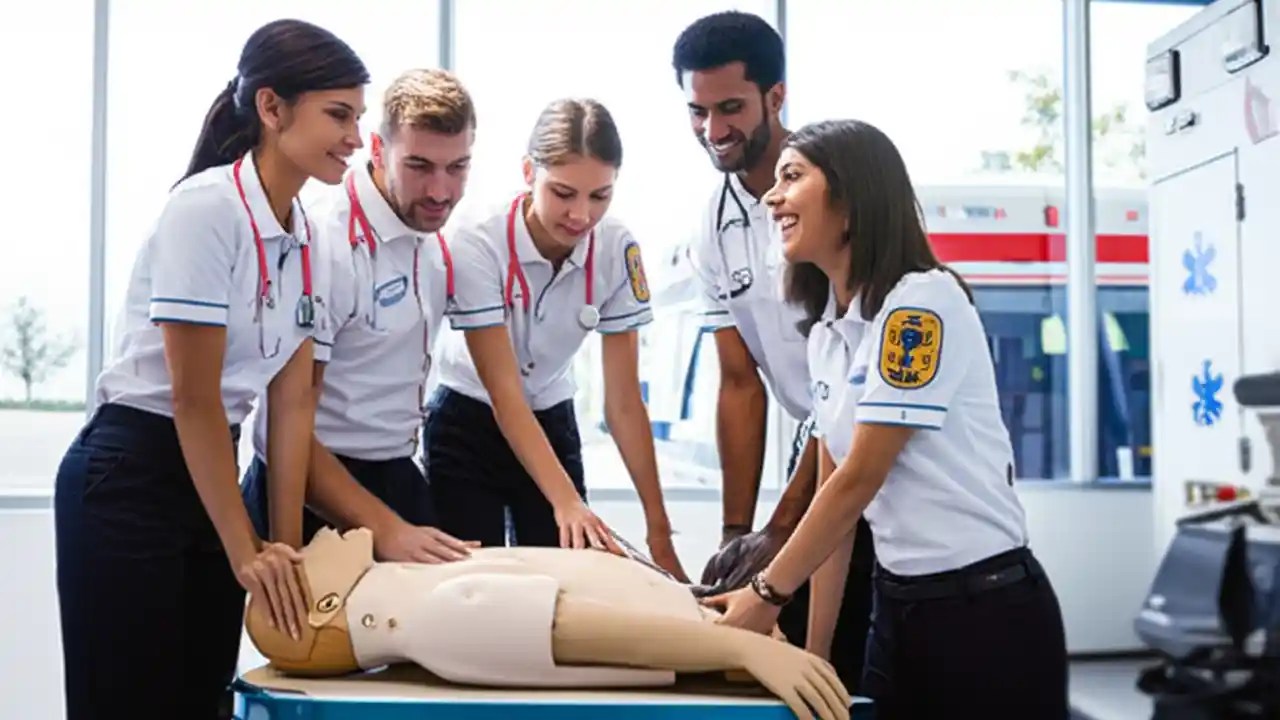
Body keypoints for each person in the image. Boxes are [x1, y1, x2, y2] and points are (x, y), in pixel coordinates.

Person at [51, 19, 370, 720]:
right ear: (271, 108)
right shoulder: (206, 208)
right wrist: (242, 549)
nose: (355, 137)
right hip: (129, 471)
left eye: (358, 117)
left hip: (209, 469)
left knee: (203, 703)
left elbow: (289, 409)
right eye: (339, 116)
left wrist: (280, 548)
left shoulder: (308, 235)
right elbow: (193, 398)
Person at [705, 119, 1069, 718]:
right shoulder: (827, 335)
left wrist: (766, 594)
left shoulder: (922, 305)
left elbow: (861, 477)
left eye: (791, 177)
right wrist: (815, 658)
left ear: (849, 199)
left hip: (985, 614)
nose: (771, 197)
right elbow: (833, 502)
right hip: (898, 611)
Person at [671, 10, 873, 688]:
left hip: (871, 440)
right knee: (804, 649)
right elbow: (738, 384)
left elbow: (848, 394)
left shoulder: (838, 199)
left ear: (776, 96)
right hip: (817, 439)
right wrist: (738, 534)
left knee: (856, 647)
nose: (713, 131)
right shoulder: (713, 223)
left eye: (730, 108)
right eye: (697, 111)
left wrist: (781, 529)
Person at [424, 98, 687, 580]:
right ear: (529, 171)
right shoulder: (477, 241)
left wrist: (659, 532)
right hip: (469, 421)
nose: (581, 216)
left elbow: (625, 403)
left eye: (599, 196)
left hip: (551, 418)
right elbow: (505, 396)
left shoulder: (617, 248)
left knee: (564, 583)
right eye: (563, 193)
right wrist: (565, 502)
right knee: (471, 587)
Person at [241, 68, 480, 564]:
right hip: (310, 479)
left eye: (457, 167)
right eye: (419, 166)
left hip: (396, 472)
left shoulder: (435, 245)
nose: (440, 191)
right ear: (377, 149)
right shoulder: (323, 240)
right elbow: (278, 427)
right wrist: (386, 528)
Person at [244, 526, 851, 720]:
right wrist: (743, 651)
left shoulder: (427, 590)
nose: (316, 538)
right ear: (326, 609)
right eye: (305, 564)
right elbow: (577, 628)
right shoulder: (435, 621)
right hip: (737, 630)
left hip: (724, 609)